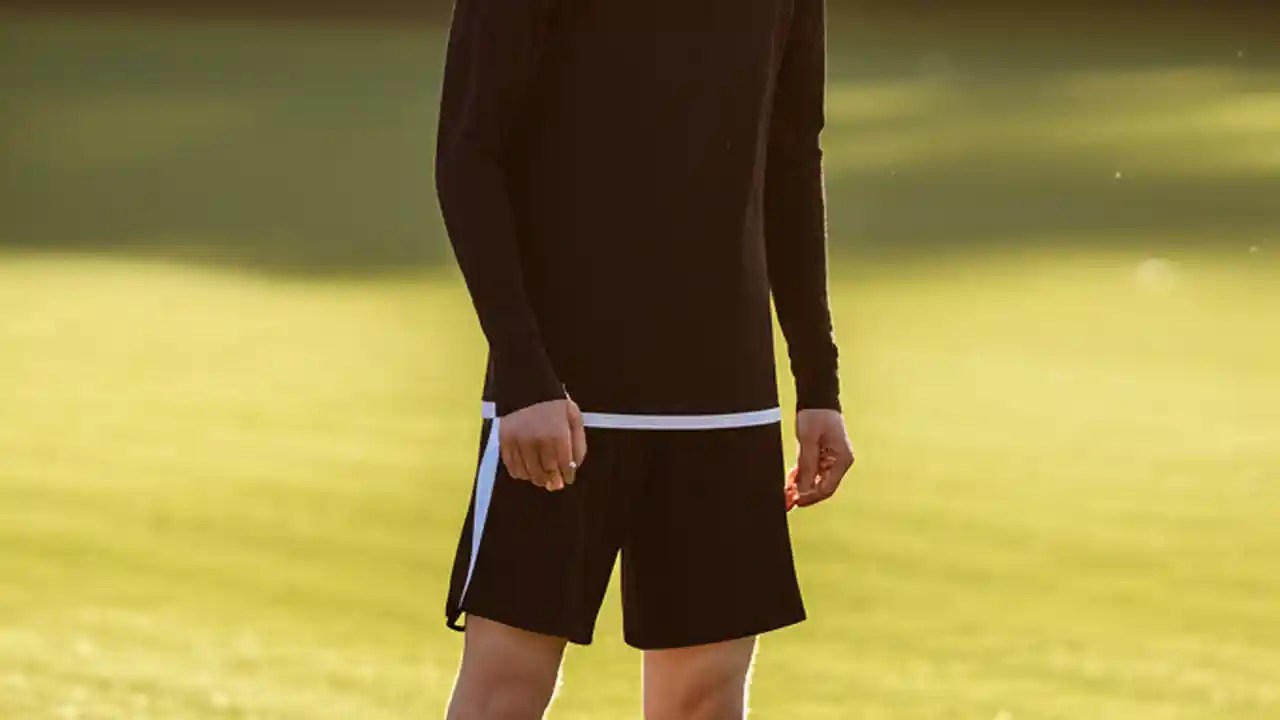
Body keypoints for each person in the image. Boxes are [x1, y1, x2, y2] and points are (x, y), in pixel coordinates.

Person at [435, 0, 855, 716]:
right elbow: (470, 152)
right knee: (505, 691)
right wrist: (524, 376)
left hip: (723, 396)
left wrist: (818, 380)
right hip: (561, 397)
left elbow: (790, 153)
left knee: (704, 698)